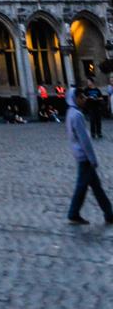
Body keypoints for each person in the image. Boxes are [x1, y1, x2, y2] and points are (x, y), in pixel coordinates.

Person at [65, 85, 113, 225]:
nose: (85, 99)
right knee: (82, 186)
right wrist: (92, 158)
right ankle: (73, 212)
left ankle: (109, 213)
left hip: (79, 153)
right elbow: (84, 140)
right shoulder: (77, 115)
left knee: (96, 187)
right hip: (84, 156)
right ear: (76, 99)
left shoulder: (70, 113)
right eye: (82, 97)